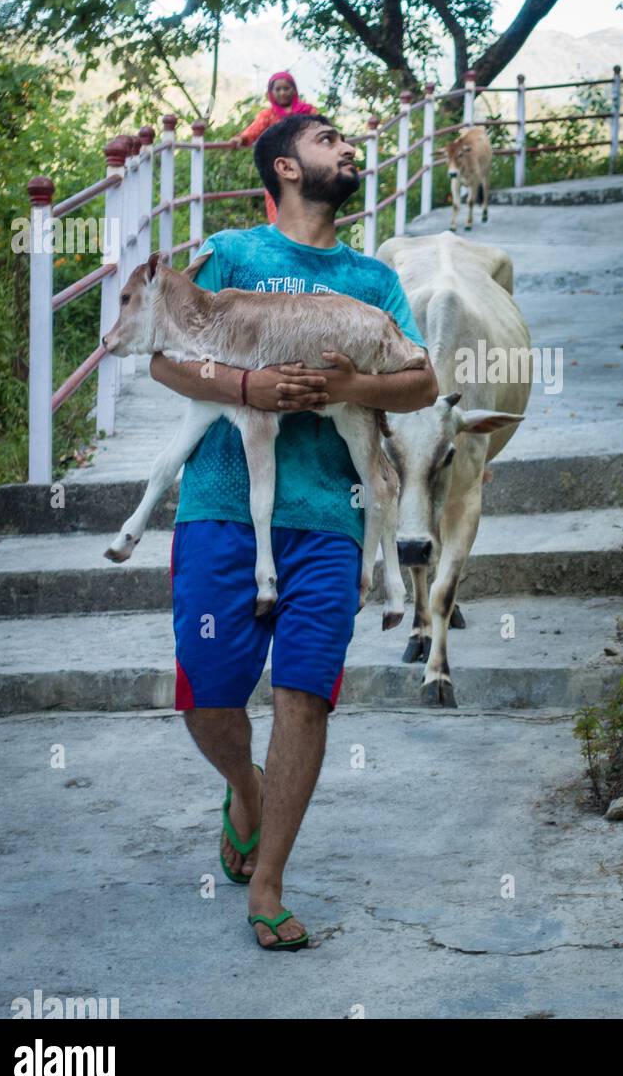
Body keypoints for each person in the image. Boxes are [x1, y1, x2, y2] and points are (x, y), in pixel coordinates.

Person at [149, 113, 439, 951]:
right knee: (205, 690)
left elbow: (420, 383)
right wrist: (247, 383)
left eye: (349, 143)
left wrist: (356, 383)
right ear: (283, 167)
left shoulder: (371, 279)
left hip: (330, 515)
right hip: (220, 504)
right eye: (328, 142)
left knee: (303, 691)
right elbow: (167, 357)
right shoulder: (233, 254)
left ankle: (268, 884)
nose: (348, 151)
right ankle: (246, 785)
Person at [226, 71, 317, 223]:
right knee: (277, 202)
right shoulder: (268, 115)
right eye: (278, 89)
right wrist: (241, 138)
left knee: (305, 202)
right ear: (271, 93)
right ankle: (281, 238)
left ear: (294, 90)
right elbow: (253, 130)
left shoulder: (308, 111)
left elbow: (321, 129)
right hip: (277, 167)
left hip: (303, 164)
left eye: (286, 88)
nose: (282, 93)